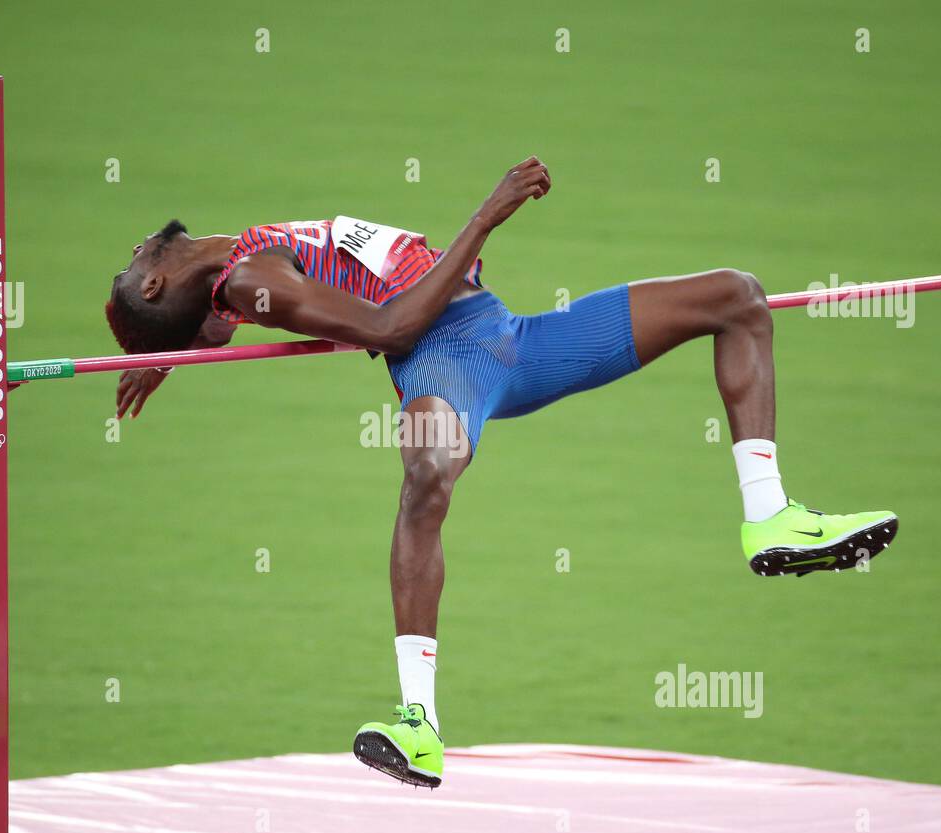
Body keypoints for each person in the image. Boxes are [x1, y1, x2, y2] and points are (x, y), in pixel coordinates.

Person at [103, 157, 898, 788]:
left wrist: (167, 358)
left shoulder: (239, 273)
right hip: (449, 362)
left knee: (738, 297)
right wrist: (486, 215)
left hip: (516, 340)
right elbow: (394, 323)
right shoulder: (249, 281)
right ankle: (419, 723)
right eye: (128, 267)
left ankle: (771, 515)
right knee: (428, 473)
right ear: (150, 282)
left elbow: (214, 323)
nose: (132, 248)